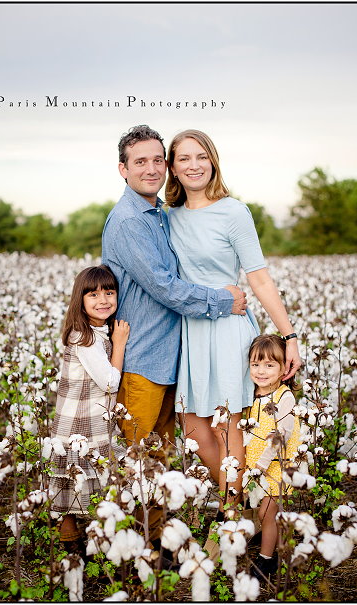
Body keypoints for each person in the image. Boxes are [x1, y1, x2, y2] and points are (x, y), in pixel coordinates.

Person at [102, 125, 248, 544]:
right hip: (142, 360)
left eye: (156, 160)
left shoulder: (158, 216)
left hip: (168, 358)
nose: (151, 169)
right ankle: (137, 552)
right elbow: (165, 286)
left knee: (161, 460)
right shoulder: (131, 221)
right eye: (140, 161)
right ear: (123, 169)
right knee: (139, 463)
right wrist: (224, 300)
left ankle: (161, 542)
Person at [164, 129, 300, 510]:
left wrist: (289, 335)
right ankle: (239, 502)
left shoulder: (233, 211)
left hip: (227, 328)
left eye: (201, 156)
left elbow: (258, 277)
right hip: (190, 331)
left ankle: (230, 512)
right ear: (172, 168)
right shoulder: (166, 218)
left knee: (227, 426)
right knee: (193, 428)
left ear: (213, 162)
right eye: (184, 158)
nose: (194, 165)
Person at [49, 266, 129, 555]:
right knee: (75, 474)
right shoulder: (84, 337)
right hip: (79, 421)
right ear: (79, 300)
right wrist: (119, 344)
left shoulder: (95, 331)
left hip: (93, 417)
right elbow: (109, 382)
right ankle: (70, 536)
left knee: (84, 475)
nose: (103, 300)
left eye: (109, 292)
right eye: (93, 294)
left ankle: (86, 533)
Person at [245, 334, 301, 580]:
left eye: (269, 365)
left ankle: (266, 560)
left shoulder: (284, 397)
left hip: (277, 467)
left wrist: (263, 464)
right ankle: (283, 550)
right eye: (255, 364)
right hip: (256, 467)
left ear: (283, 369)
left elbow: (282, 434)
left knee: (265, 513)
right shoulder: (251, 394)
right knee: (269, 514)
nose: (261, 371)